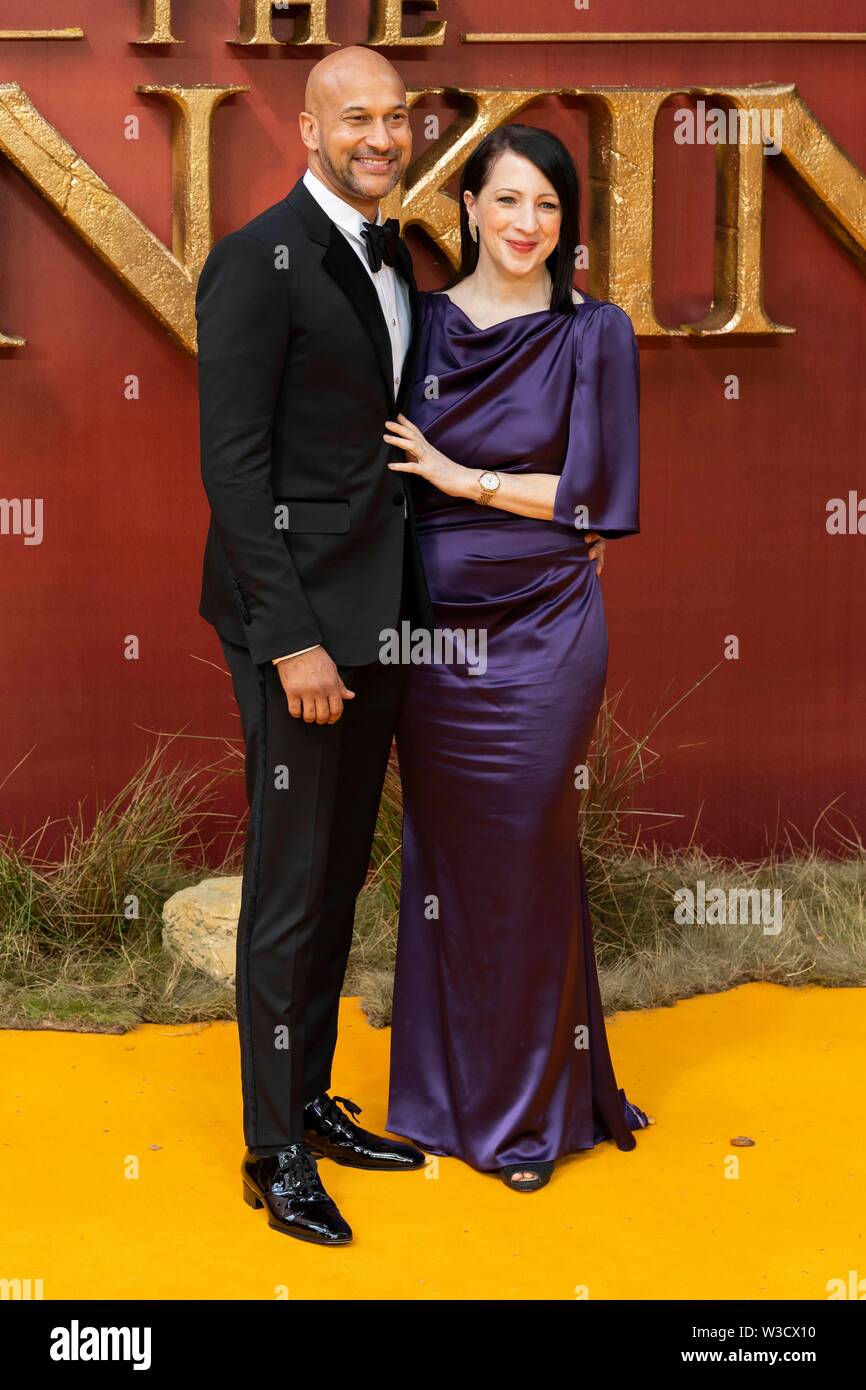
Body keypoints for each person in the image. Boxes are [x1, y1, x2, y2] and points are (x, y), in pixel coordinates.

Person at [195, 46, 436, 1245]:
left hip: (381, 622)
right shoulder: (254, 261)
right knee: (288, 895)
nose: (381, 136)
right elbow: (232, 468)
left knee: (339, 877)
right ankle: (270, 1148)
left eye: (396, 117)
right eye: (357, 118)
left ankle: (310, 1098)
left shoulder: (401, 255)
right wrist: (291, 644)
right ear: (306, 127)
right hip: (297, 635)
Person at [384, 123, 652, 1192]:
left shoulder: (596, 333)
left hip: (545, 627)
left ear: (565, 222)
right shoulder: (420, 327)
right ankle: (440, 1100)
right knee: (445, 863)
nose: (524, 225)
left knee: (528, 854)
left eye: (546, 207)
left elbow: (600, 496)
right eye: (505, 201)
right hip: (432, 637)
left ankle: (531, 1119)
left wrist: (460, 479)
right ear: (466, 210)